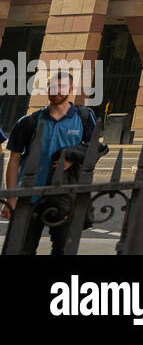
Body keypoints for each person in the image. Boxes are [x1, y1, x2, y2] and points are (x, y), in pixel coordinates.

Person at [2, 70, 98, 254]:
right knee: (21, 249)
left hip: (65, 195)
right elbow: (14, 160)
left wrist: (72, 157)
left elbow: (94, 149)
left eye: (62, 87)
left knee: (63, 249)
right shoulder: (28, 122)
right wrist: (11, 198)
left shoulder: (84, 117)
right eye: (52, 87)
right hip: (30, 194)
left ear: (71, 89)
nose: (57, 91)